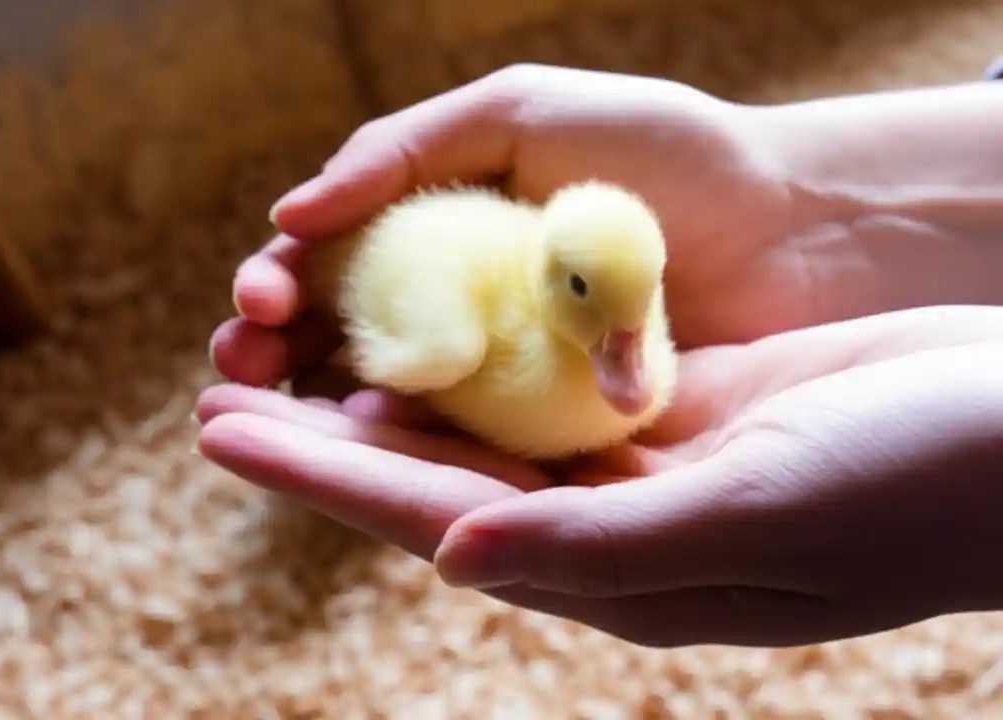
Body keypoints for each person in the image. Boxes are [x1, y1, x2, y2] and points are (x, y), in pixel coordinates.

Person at [196, 63, 1003, 648]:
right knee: (431, 356)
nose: (633, 361)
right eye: (595, 299)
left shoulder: (618, 315)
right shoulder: (456, 328)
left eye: (641, 307)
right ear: (555, 272)